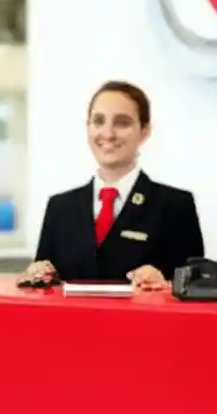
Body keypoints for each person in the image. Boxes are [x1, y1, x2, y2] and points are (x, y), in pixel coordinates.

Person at [22, 81, 204, 290]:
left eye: (122, 123)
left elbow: (197, 292)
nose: (108, 134)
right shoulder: (60, 207)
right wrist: (39, 275)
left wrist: (167, 285)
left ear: (144, 131)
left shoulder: (176, 206)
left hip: (145, 323)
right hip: (73, 323)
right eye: (98, 121)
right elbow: (43, 291)